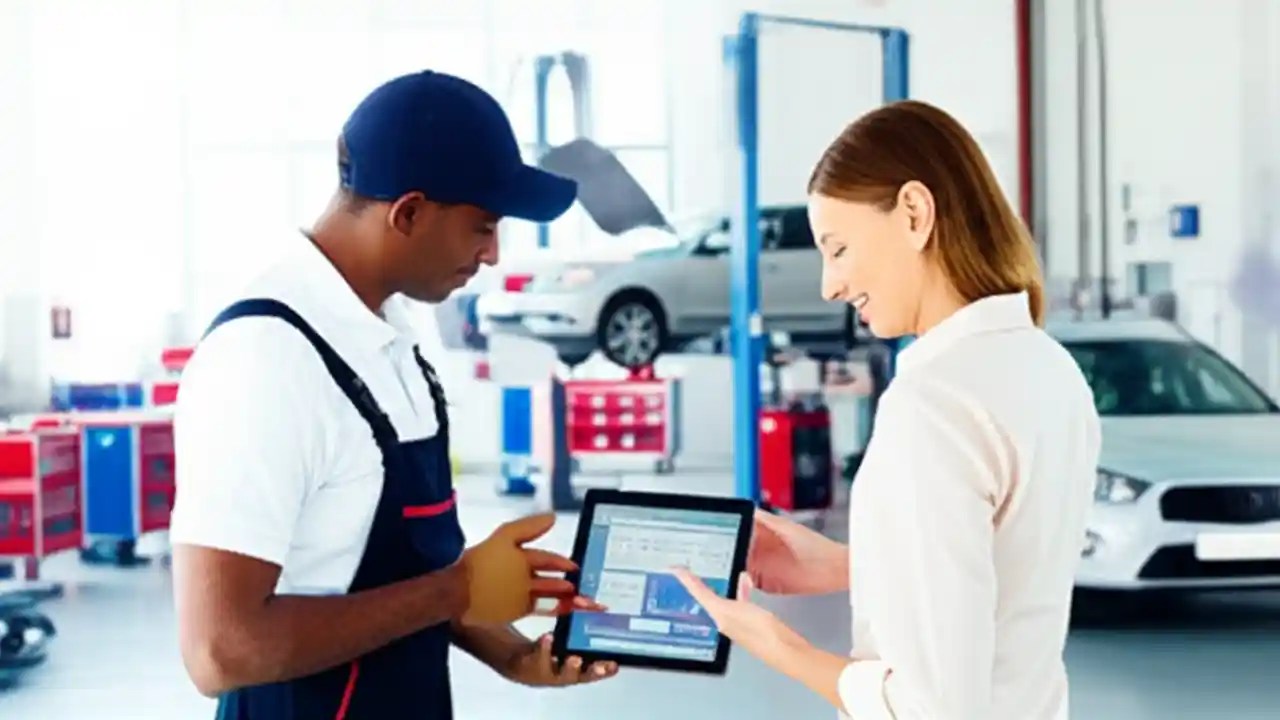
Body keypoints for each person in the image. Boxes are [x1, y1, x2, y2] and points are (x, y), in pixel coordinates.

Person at [170, 70, 618, 720]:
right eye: (483, 226)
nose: (493, 254)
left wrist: (515, 655)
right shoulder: (266, 359)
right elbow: (221, 650)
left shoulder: (391, 337)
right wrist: (458, 589)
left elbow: (409, 576)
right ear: (407, 212)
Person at [675, 100, 1100, 720]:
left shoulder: (933, 402)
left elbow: (932, 710)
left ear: (914, 213)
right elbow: (1003, 570)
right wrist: (856, 563)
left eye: (839, 248)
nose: (830, 285)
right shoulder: (1049, 369)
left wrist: (775, 643)